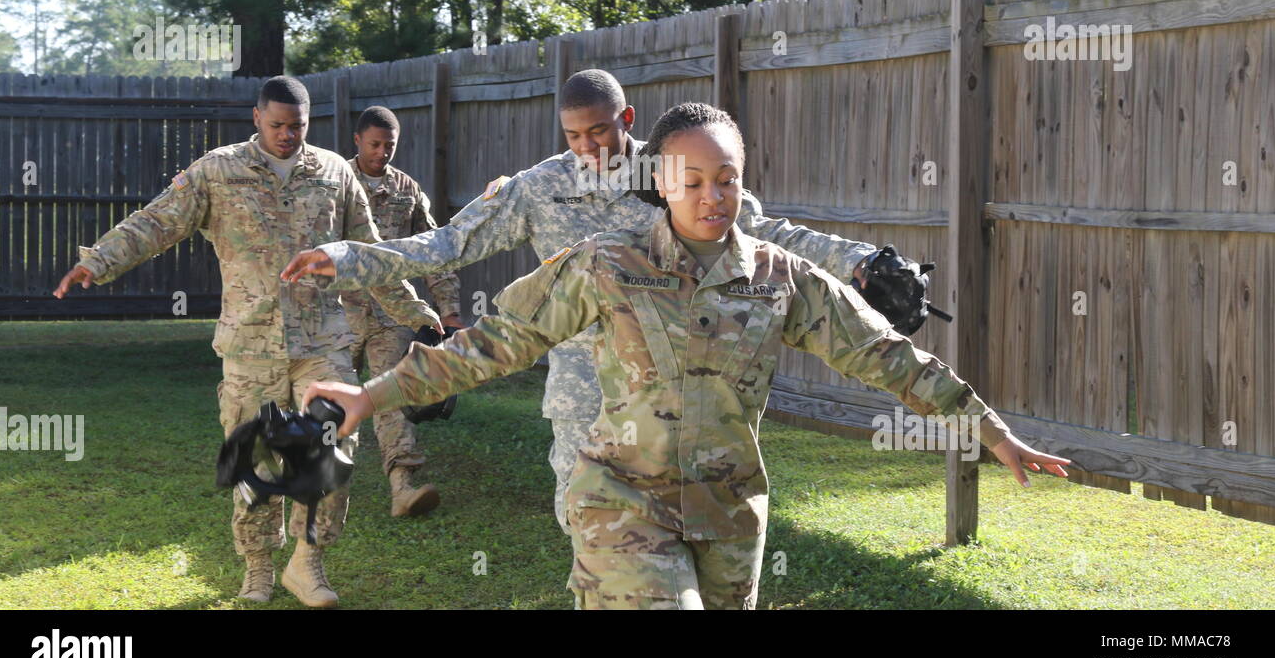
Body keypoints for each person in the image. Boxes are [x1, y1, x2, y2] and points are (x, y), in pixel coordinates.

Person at [303, 102, 1071, 609]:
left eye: (726, 180)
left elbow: (885, 355)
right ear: (660, 181)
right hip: (619, 500)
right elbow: (494, 342)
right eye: (693, 180)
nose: (712, 196)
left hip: (730, 511)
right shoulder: (604, 266)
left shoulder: (780, 280)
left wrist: (988, 429)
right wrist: (373, 396)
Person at [282, 69, 892, 534]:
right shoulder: (538, 188)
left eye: (599, 130)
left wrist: (859, 261)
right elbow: (447, 245)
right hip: (579, 384)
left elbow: (768, 235)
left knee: (676, 527)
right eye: (573, 135)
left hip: (668, 381)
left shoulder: (675, 171)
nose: (587, 146)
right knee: (586, 524)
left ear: (626, 117)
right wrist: (347, 258)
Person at [53, 76, 442, 608]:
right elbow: (157, 221)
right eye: (277, 125)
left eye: (297, 126)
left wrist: (418, 313)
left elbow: (368, 255)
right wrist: (96, 262)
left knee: (331, 451)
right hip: (250, 345)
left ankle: (308, 564)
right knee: (259, 467)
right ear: (257, 118)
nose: (286, 135)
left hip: (323, 342)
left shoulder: (333, 173)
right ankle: (258, 568)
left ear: (309, 123)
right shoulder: (218, 170)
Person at [345, 105, 464, 517]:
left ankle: (402, 487)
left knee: (391, 396)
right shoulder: (334, 183)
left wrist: (448, 311)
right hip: (336, 315)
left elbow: (433, 252)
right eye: (374, 144)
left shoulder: (407, 191)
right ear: (357, 140)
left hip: (392, 314)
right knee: (325, 400)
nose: (381, 152)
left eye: (389, 146)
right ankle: (301, 479)